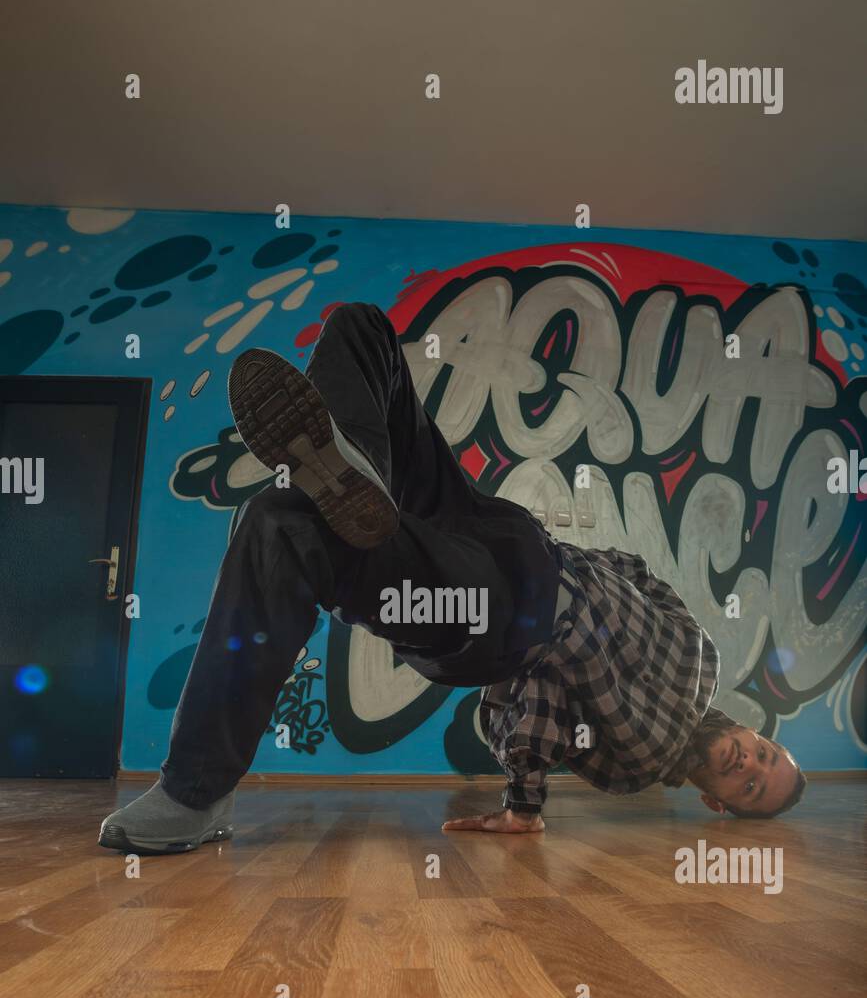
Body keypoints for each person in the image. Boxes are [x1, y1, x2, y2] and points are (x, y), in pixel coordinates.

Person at [99, 302, 805, 854]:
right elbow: (638, 572)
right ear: (760, 732)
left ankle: (195, 790)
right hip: (506, 535)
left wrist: (523, 803)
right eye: (763, 754)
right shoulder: (702, 656)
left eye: (747, 783)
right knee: (362, 331)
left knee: (283, 525)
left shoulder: (644, 762)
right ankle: (361, 483)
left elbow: (549, 699)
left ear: (716, 801)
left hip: (491, 616)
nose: (746, 759)